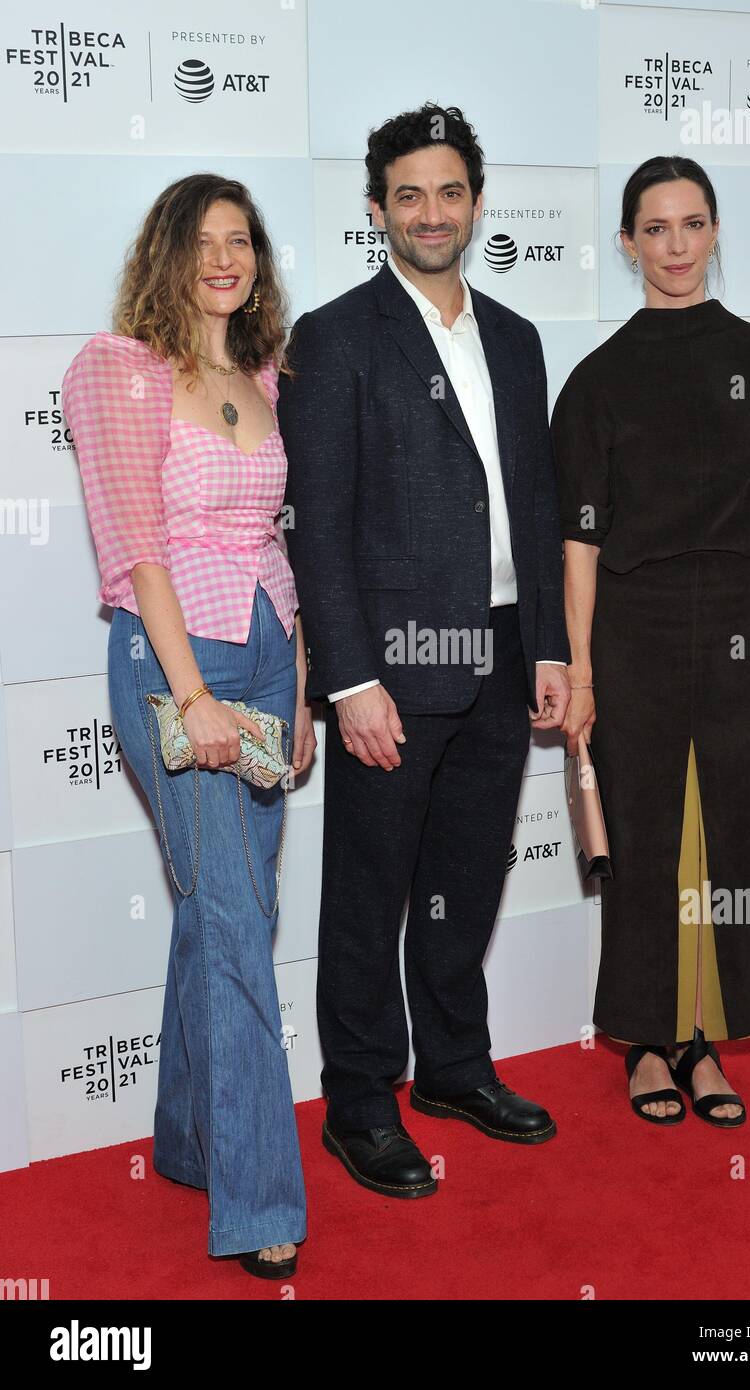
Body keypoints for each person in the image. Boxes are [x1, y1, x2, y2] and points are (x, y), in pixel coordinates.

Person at [277, 103, 571, 1197]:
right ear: (376, 211)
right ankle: (360, 1101)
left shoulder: (516, 336)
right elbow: (320, 517)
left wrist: (549, 646)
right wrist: (350, 677)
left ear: (477, 203)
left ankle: (452, 1067)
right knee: (368, 890)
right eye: (409, 194)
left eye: (450, 191)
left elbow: (533, 506)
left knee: (463, 880)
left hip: (502, 653)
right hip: (393, 665)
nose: (432, 212)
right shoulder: (338, 335)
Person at [61, 174, 316, 1274]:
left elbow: (274, 544)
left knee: (226, 916)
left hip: (262, 652)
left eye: (241, 241)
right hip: (176, 658)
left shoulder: (261, 372)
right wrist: (195, 697)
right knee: (231, 926)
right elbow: (136, 549)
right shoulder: (118, 370)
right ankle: (262, 1206)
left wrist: (295, 690)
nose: (226, 259)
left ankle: (189, 1140)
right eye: (204, 241)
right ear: (167, 254)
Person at [551, 155, 750, 1128]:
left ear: (713, 232)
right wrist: (577, 669)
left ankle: (706, 1037)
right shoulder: (597, 380)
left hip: (739, 628)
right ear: (626, 243)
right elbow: (577, 542)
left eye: (691, 223)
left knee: (729, 839)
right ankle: (649, 1041)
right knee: (650, 837)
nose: (673, 245)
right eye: (653, 228)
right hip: (632, 630)